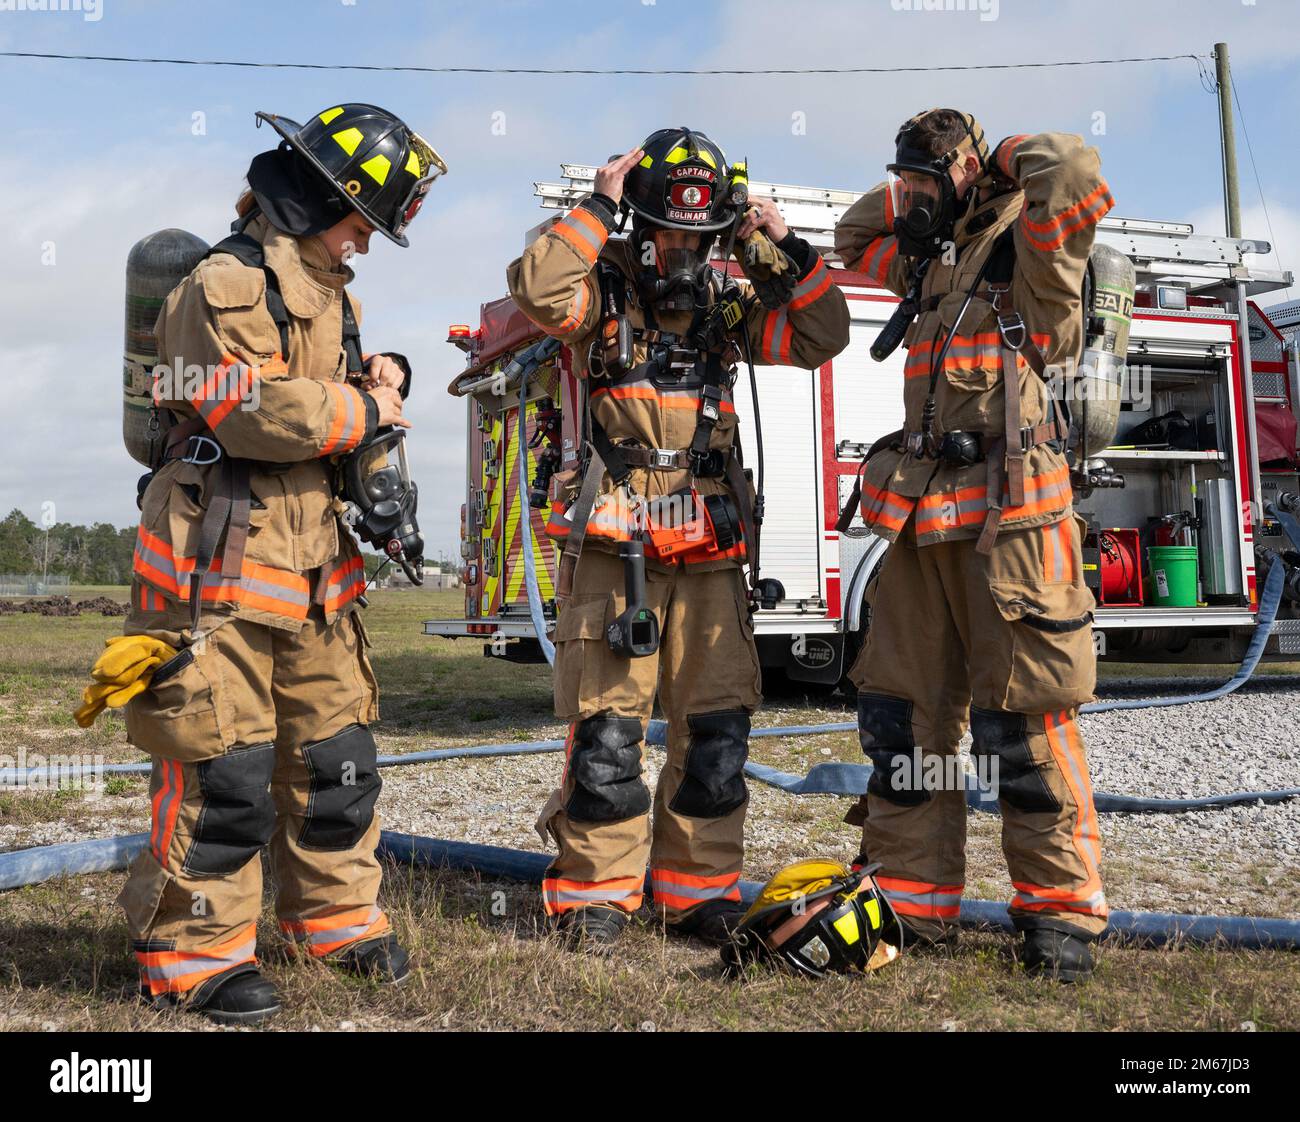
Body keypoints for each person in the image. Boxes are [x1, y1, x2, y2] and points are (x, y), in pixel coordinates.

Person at [116, 103, 445, 1022]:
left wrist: (384, 398)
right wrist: (371, 408)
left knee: (338, 760)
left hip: (313, 571)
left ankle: (334, 920)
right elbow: (250, 408)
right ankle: (193, 956)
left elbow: (326, 398)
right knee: (223, 766)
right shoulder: (221, 284)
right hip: (215, 566)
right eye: (360, 224)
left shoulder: (333, 293)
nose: (365, 247)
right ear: (317, 200)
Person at [507, 127, 849, 950]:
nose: (682, 252)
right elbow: (538, 290)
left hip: (710, 548)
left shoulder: (728, 311)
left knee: (718, 730)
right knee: (607, 732)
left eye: (697, 237)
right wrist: (598, 205)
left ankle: (696, 893)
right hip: (617, 543)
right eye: (667, 232)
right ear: (641, 227)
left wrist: (778, 247)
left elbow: (822, 335)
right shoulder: (602, 295)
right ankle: (595, 897)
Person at [834, 109, 1113, 982]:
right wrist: (922, 197)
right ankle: (911, 903)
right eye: (903, 178)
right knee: (904, 723)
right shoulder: (934, 257)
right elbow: (852, 234)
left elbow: (1068, 163)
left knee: (1023, 726)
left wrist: (989, 164)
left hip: (1014, 531)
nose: (907, 193)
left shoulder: (1026, 244)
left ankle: (1060, 916)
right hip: (920, 527)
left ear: (965, 169)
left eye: (924, 177)